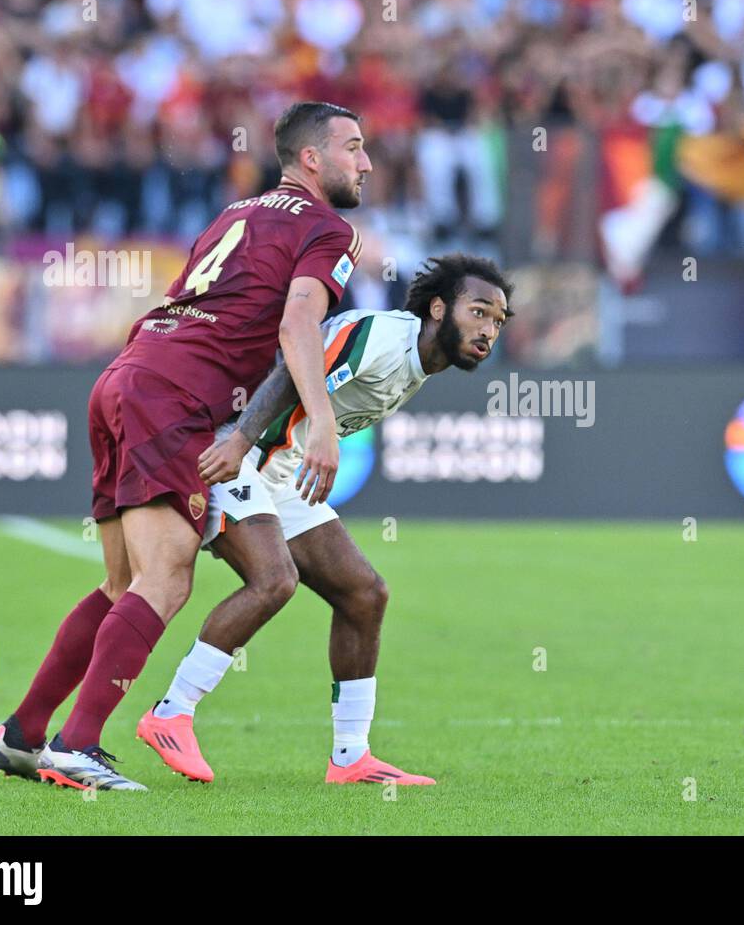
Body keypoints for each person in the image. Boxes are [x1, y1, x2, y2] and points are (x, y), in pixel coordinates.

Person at [0, 102, 371, 791]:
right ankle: (78, 745)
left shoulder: (235, 213)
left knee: (123, 583)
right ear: (311, 158)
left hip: (126, 377)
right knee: (167, 578)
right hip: (173, 397)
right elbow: (298, 321)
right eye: (354, 148)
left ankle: (24, 734)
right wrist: (322, 420)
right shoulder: (328, 228)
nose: (366, 164)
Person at [137, 254, 514, 786]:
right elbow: (295, 367)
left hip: (282, 471)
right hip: (240, 455)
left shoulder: (422, 363)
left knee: (365, 594)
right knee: (274, 581)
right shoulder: (385, 336)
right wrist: (243, 440)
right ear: (438, 308)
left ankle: (350, 756)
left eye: (498, 321)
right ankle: (170, 713)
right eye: (479, 312)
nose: (489, 329)